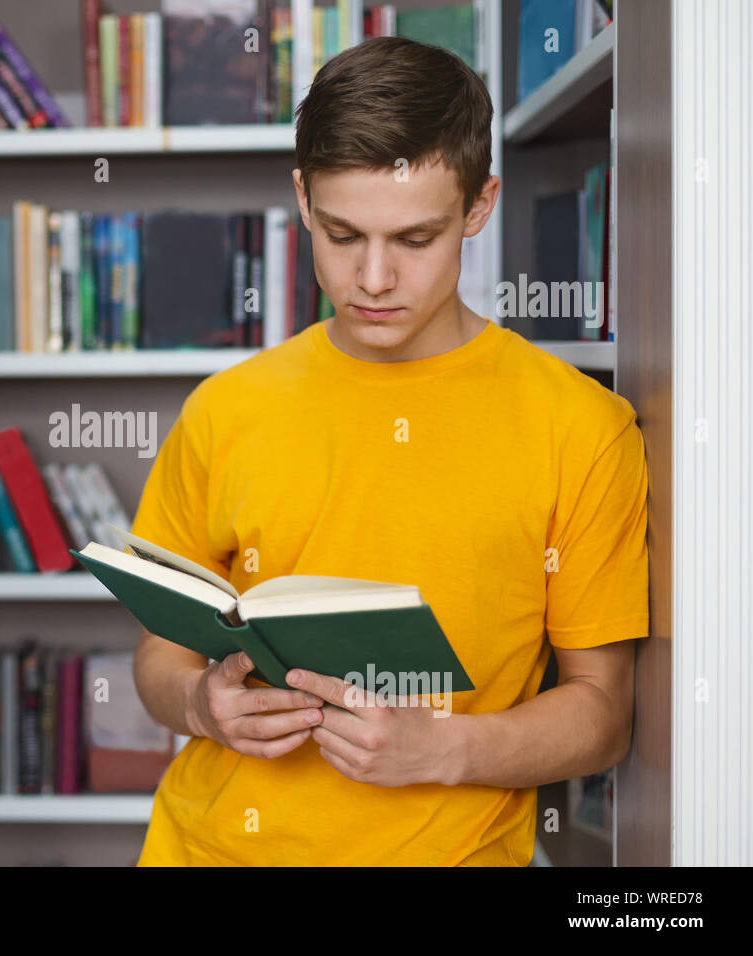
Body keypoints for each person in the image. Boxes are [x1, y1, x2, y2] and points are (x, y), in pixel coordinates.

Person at [129, 36, 648, 866]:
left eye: (414, 239)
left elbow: (602, 714)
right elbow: (160, 652)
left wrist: (443, 750)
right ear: (302, 199)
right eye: (342, 234)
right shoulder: (226, 409)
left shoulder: (582, 426)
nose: (372, 278)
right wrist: (199, 703)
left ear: (480, 207)